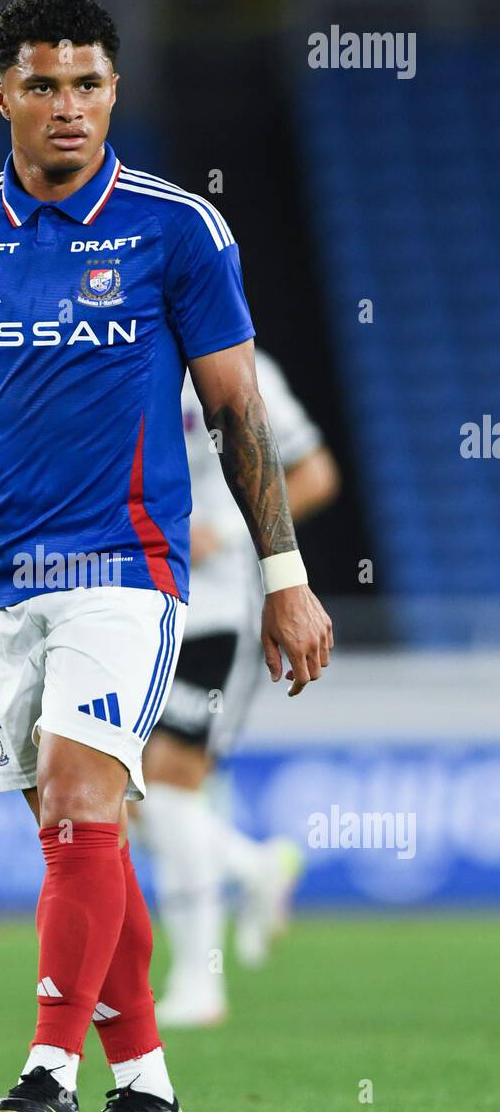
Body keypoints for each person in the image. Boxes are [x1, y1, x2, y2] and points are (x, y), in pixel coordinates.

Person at [0, 0, 333, 1112]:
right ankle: (146, 1085)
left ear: (115, 92)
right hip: (3, 577)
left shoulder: (175, 230)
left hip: (130, 568)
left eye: (89, 84)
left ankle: (49, 1071)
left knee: (80, 798)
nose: (69, 107)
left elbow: (236, 412)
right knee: (76, 840)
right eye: (44, 85)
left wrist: (285, 575)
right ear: (1, 91)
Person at [141, 349, 340, 1026]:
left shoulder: (243, 371)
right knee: (130, 795)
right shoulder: (118, 357)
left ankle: (200, 984)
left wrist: (223, 534)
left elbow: (315, 473)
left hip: (216, 609)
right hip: (133, 609)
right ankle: (255, 867)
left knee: (167, 784)